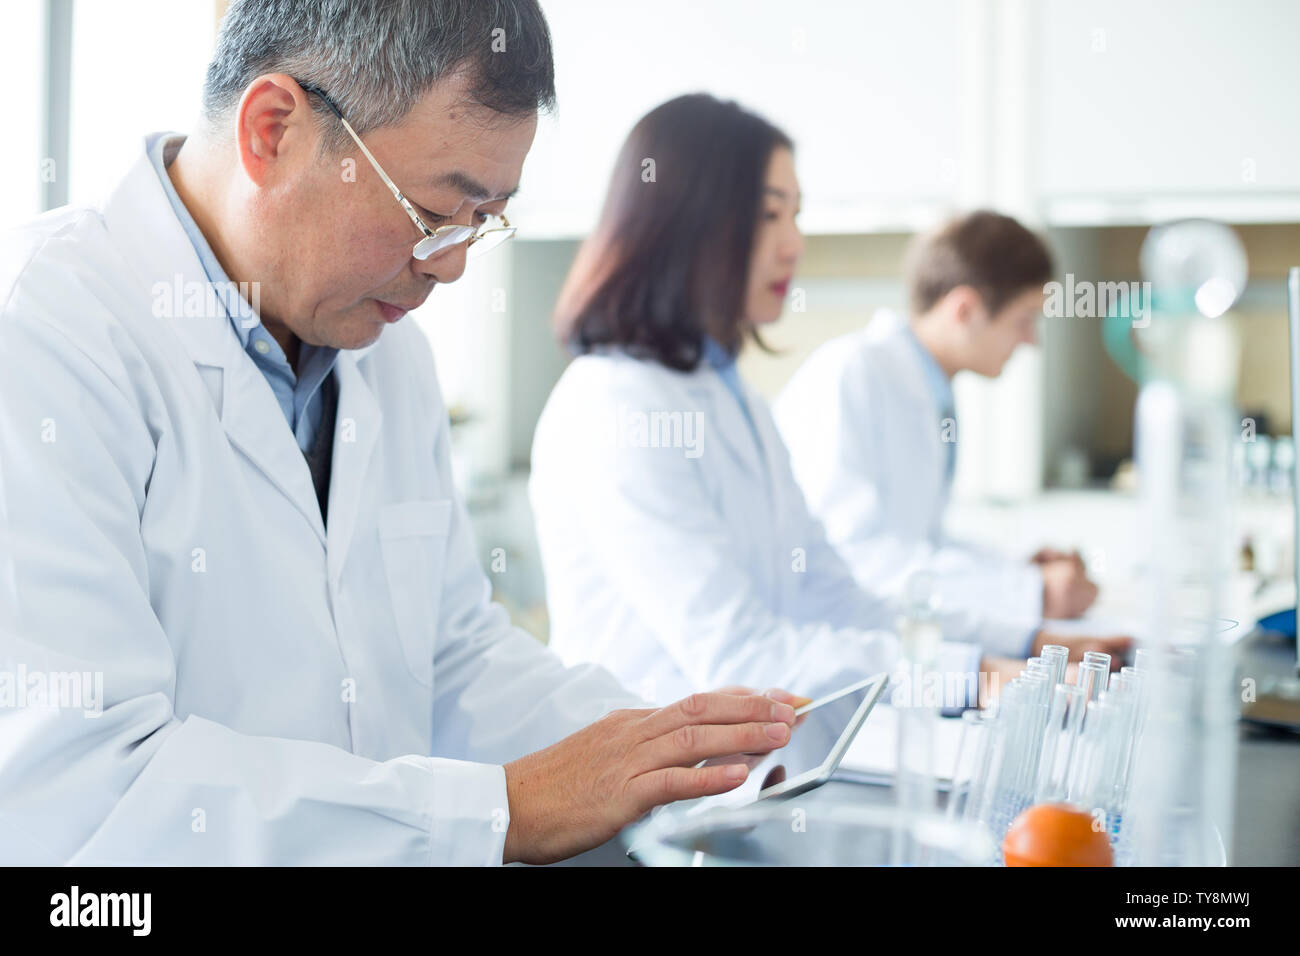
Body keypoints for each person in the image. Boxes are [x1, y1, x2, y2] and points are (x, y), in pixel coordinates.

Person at [0, 0, 801, 867]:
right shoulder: (46, 335)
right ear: (272, 131)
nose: (452, 264)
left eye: (484, 220)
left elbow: (451, 656)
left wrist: (667, 752)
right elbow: (79, 800)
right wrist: (503, 810)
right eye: (435, 213)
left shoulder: (387, 356)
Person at [529, 94, 1034, 715]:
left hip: (752, 768)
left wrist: (1013, 648)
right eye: (770, 215)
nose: (794, 244)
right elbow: (740, 655)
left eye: (796, 215)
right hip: (652, 792)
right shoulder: (617, 405)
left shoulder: (727, 392)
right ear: (688, 221)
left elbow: (833, 596)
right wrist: (973, 676)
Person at [773, 211, 1128, 662]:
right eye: (1024, 319)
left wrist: (1016, 570)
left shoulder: (928, 389)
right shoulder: (852, 374)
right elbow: (859, 559)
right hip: (842, 662)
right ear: (965, 310)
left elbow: (922, 544)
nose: (1032, 341)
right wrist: (1028, 593)